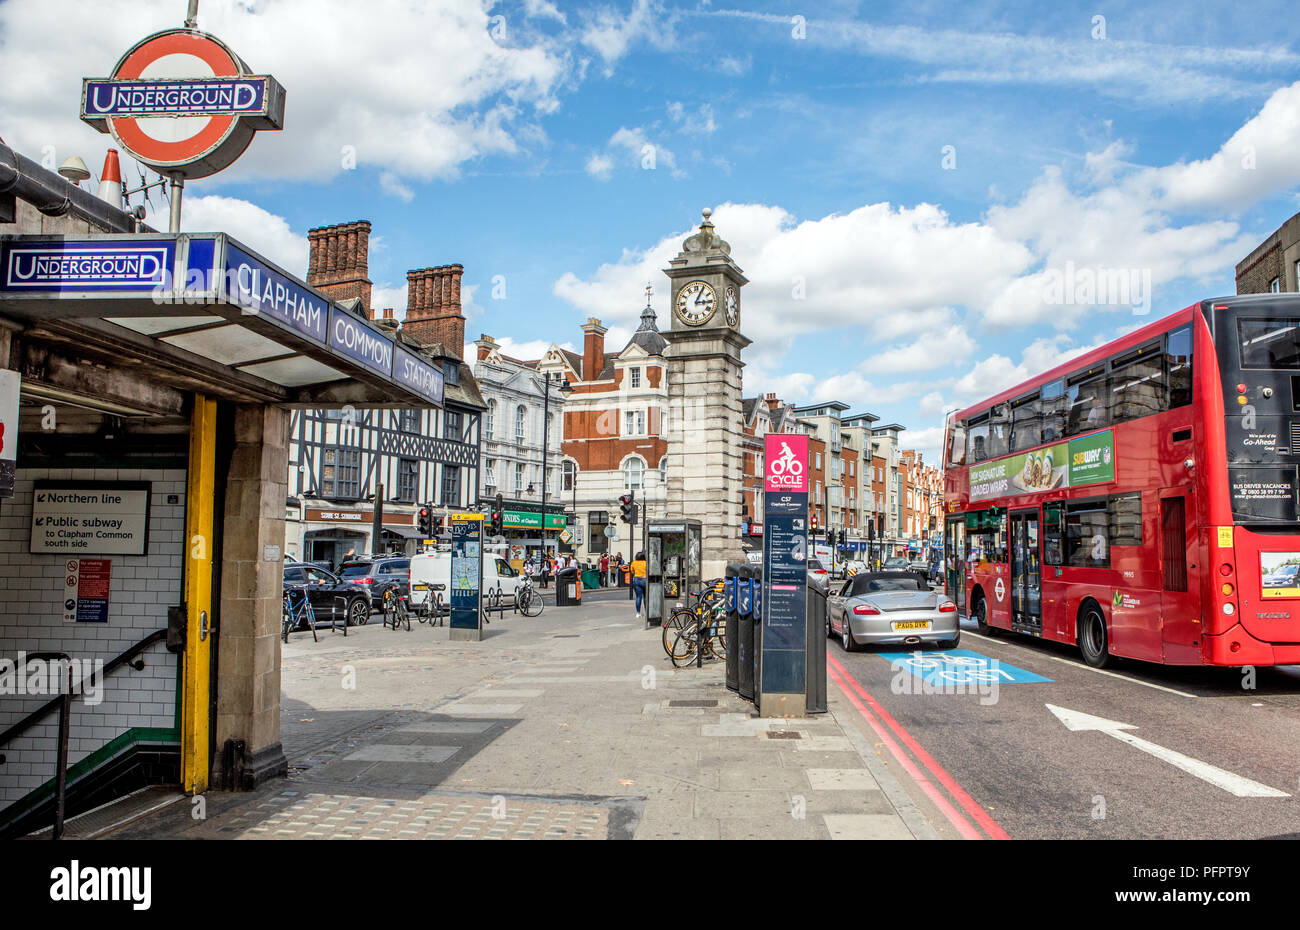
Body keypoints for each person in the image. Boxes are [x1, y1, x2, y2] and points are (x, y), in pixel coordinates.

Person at [631, 550, 647, 619]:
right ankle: (647, 612)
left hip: (636, 579)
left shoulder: (634, 563)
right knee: (646, 597)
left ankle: (638, 613)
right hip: (644, 579)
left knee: (638, 597)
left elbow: (632, 571)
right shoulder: (646, 563)